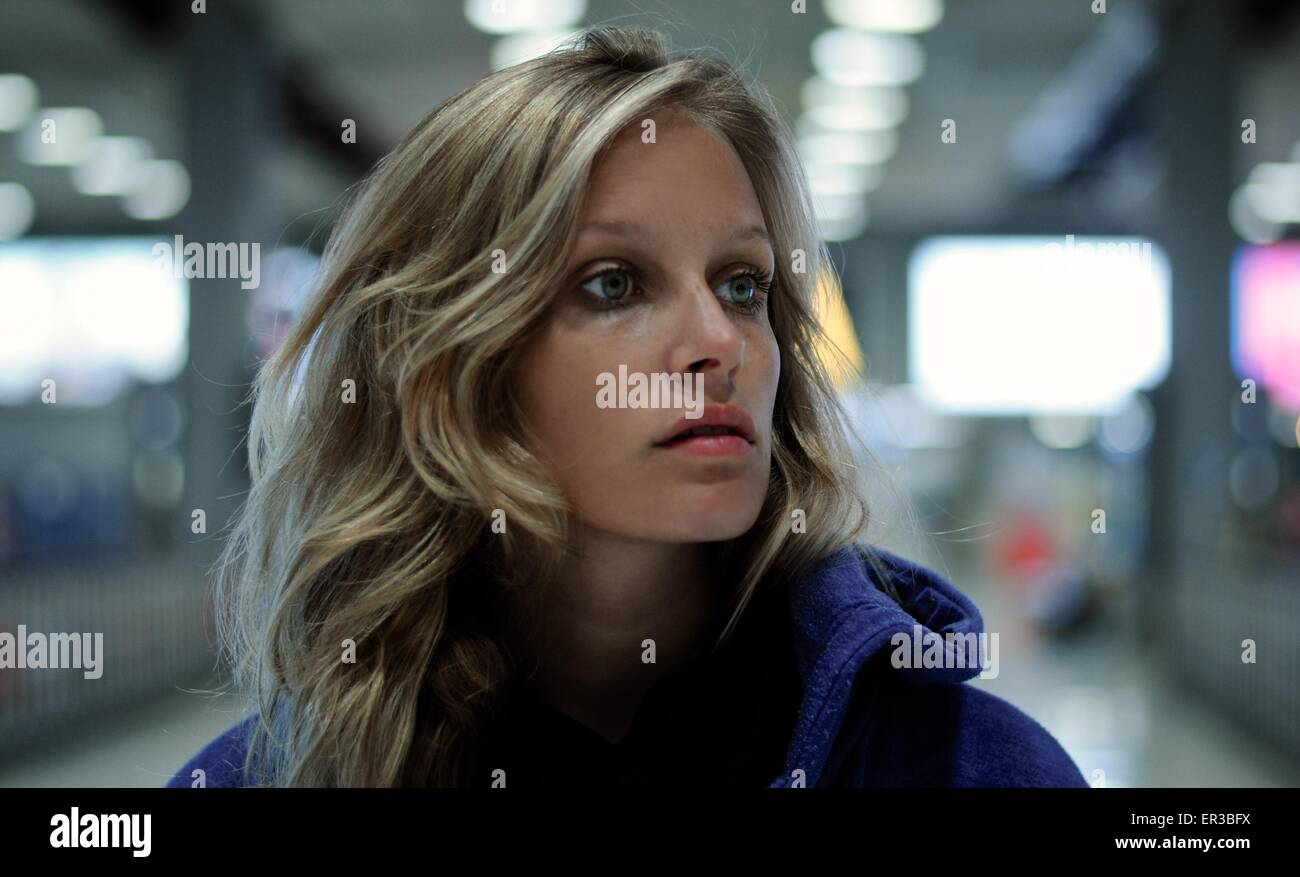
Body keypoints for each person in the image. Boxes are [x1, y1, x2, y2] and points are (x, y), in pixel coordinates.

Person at [165, 25, 1087, 789]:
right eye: (613, 284)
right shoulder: (281, 777)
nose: (719, 344)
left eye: (741, 284)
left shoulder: (977, 771)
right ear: (447, 370)